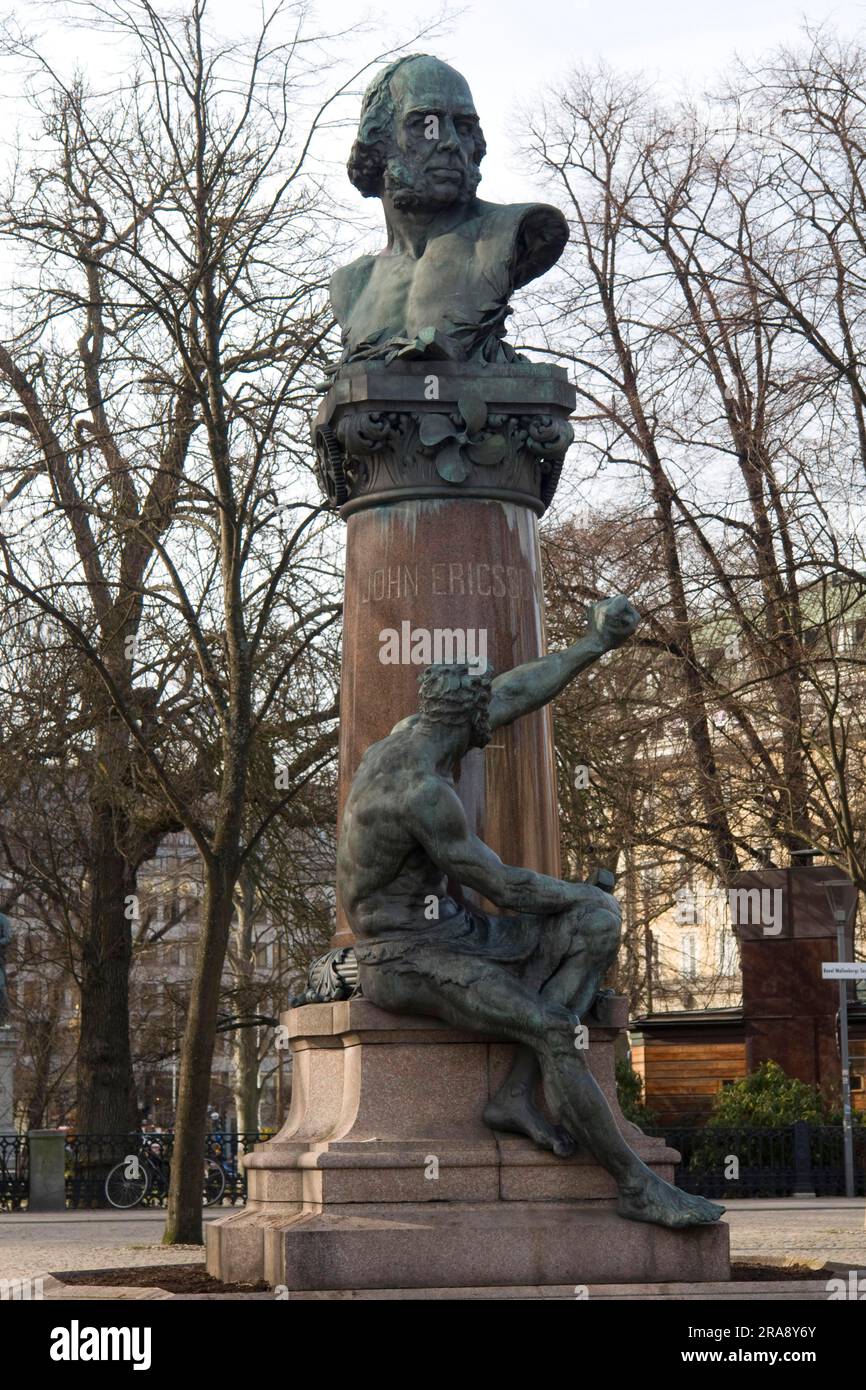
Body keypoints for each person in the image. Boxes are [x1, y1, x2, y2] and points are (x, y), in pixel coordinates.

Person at [337, 596, 724, 1229]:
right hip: (403, 958)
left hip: (453, 935)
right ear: (469, 722)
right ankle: (636, 1186)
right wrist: (581, 891)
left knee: (597, 925)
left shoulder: (412, 735)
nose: (499, 719)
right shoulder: (423, 793)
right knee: (554, 1019)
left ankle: (517, 1090)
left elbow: (514, 693)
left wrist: (593, 644)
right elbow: (504, 887)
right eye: (487, 714)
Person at [332, 53, 569, 365]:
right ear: (378, 141)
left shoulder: (517, 232)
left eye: (464, 126)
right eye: (425, 124)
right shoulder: (351, 284)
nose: (451, 142)